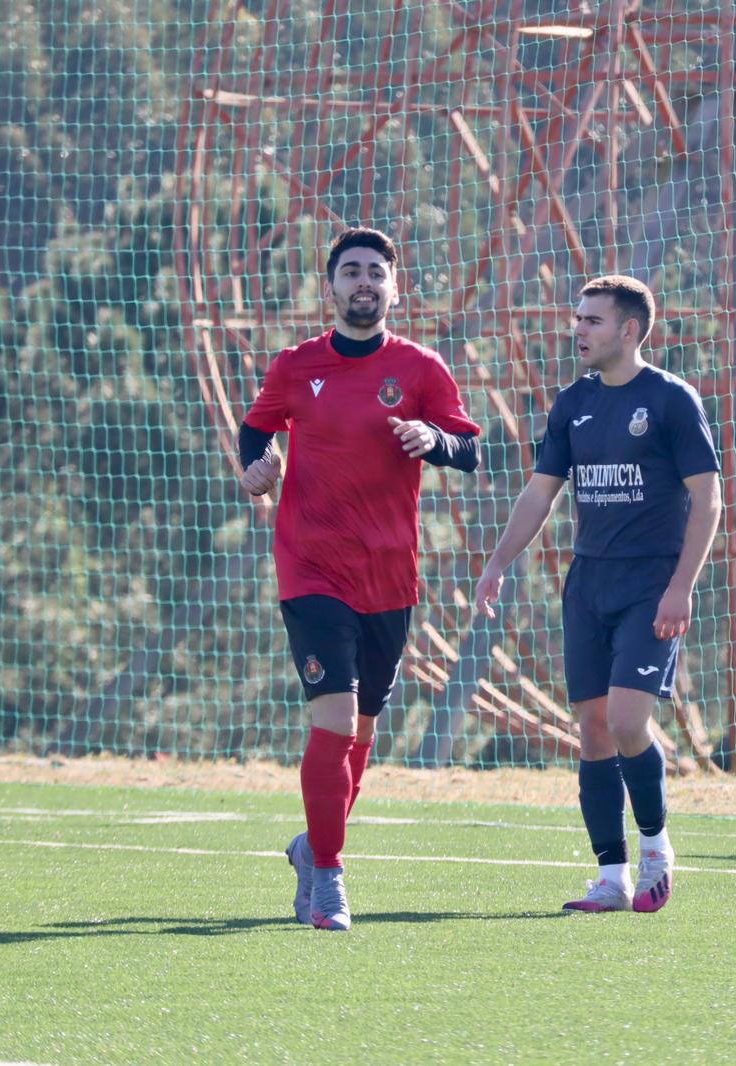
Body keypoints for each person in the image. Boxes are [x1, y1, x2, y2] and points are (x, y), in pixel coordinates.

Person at [238, 227, 481, 930]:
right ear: (332, 287)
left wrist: (433, 440)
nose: (364, 281)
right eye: (352, 271)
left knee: (364, 727)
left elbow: (468, 448)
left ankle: (312, 847)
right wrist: (256, 469)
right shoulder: (295, 365)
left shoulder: (421, 367)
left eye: (377, 271)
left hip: (389, 575)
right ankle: (331, 883)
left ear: (394, 288)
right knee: (335, 721)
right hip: (310, 567)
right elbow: (256, 431)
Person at [473, 275, 722, 912]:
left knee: (628, 720)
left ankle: (657, 848)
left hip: (650, 586)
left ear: (629, 330)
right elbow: (540, 493)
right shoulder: (572, 403)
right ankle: (610, 878)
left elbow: (707, 500)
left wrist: (681, 588)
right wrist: (499, 560)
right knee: (592, 731)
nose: (578, 329)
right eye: (578, 318)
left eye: (592, 320)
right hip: (588, 583)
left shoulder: (670, 400)